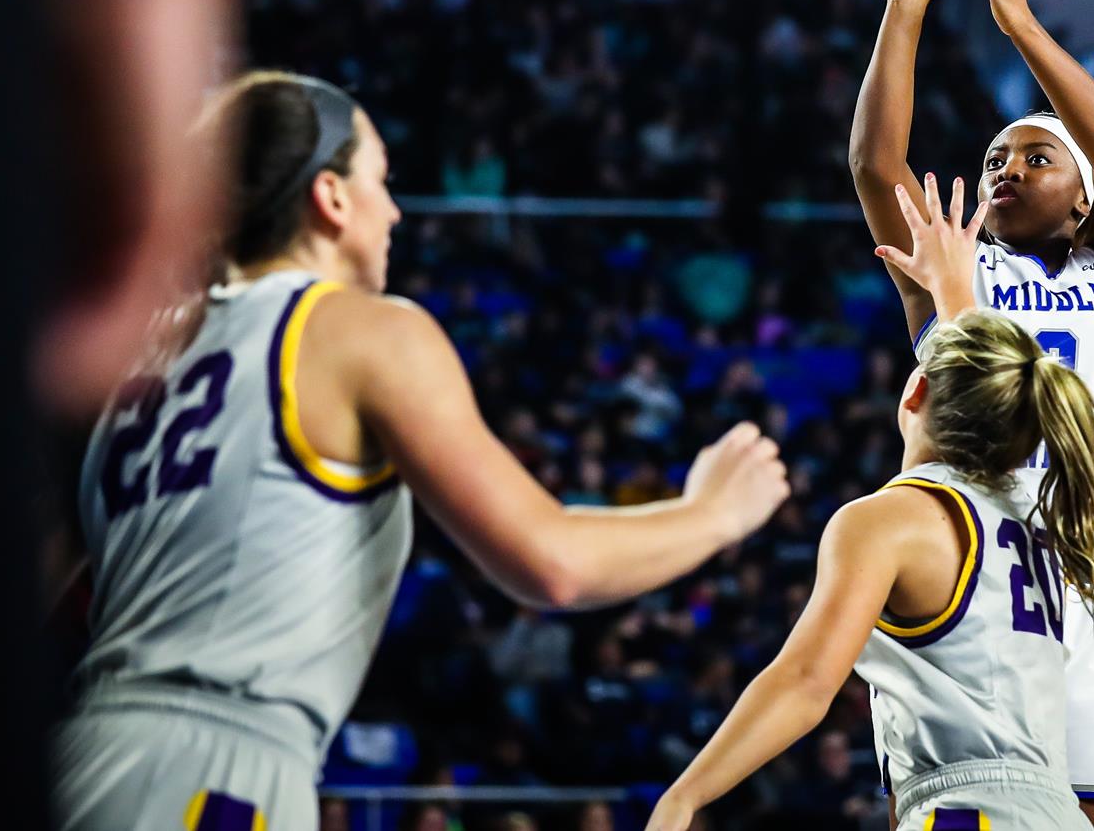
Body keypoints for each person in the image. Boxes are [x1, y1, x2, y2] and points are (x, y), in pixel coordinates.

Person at [53, 73, 791, 831]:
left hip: (76, 751)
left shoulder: (138, 356)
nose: (396, 210)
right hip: (215, 762)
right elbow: (554, 562)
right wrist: (715, 513)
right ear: (332, 198)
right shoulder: (364, 331)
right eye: (381, 179)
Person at [646, 186, 1094, 831]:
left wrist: (684, 797)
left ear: (913, 392)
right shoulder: (1037, 513)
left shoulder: (891, 520)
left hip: (971, 813)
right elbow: (987, 379)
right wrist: (952, 288)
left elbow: (806, 682)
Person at [848, 0, 1094, 829]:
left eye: (1037, 156)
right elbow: (874, 164)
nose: (1007, 168)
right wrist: (905, 6)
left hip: (1089, 590)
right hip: (972, 581)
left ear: (1083, 203)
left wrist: (1020, 26)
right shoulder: (952, 262)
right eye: (995, 158)